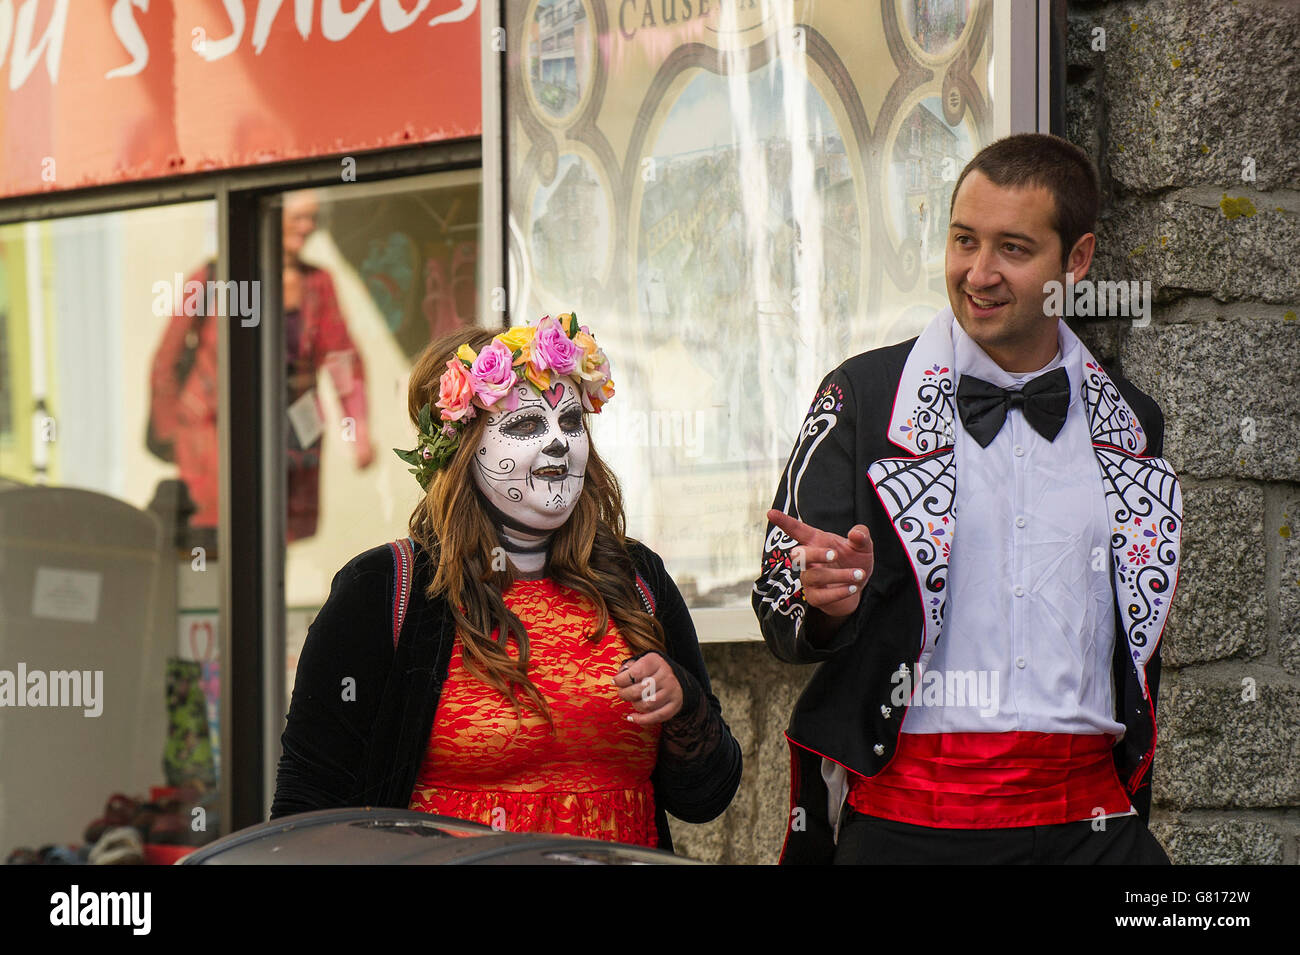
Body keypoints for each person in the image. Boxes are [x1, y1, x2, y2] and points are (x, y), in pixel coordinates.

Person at [753, 133, 1183, 864]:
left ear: (1075, 262)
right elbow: (779, 599)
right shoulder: (862, 398)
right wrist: (824, 602)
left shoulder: (1132, 423)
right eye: (963, 240)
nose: (978, 273)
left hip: (1093, 829)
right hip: (909, 831)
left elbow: (1136, 641)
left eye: (1013, 248)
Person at [272, 313, 742, 851]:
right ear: (460, 450)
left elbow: (707, 798)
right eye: (523, 427)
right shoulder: (381, 591)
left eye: (571, 422)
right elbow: (308, 811)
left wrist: (683, 705)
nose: (559, 444)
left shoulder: (635, 578)